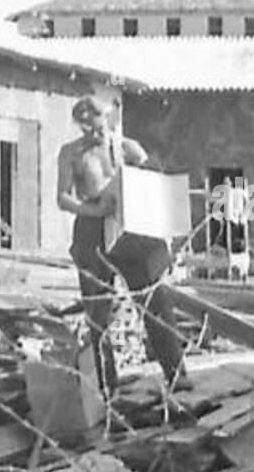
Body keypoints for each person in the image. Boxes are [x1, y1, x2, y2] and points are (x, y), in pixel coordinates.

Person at [56, 95, 188, 396]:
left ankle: (175, 371)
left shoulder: (128, 148)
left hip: (131, 224)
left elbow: (152, 185)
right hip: (91, 229)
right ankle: (106, 383)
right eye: (86, 128)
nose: (94, 134)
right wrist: (94, 211)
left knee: (154, 296)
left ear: (108, 119)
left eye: (98, 125)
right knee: (97, 309)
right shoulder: (71, 153)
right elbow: (62, 197)